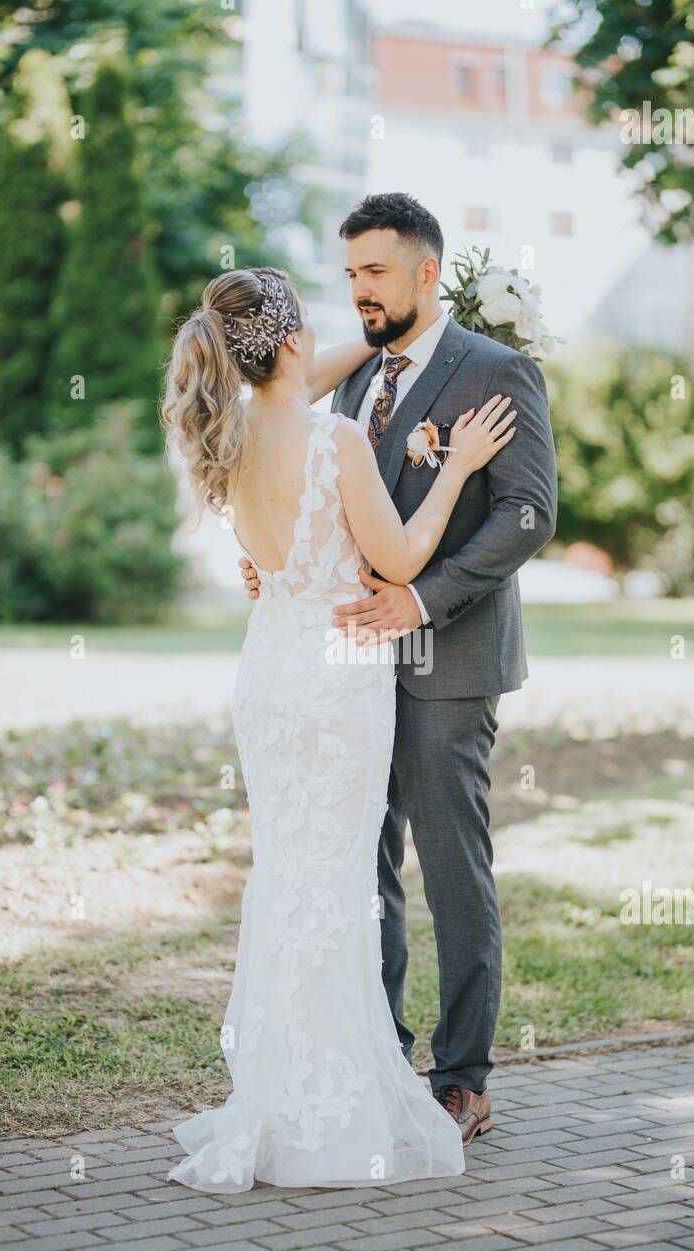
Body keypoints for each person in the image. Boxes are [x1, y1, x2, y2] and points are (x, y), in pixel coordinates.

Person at [161, 262, 516, 1191]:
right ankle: (337, 1101)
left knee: (292, 878)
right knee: (341, 881)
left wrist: (384, 331)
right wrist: (457, 467)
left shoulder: (227, 438)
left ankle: (282, 1094)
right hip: (338, 676)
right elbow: (399, 556)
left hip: (270, 672)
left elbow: (288, 391)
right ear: (289, 340)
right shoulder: (338, 440)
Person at [241, 194, 558, 1147]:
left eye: (375, 272)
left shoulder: (496, 370)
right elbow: (326, 506)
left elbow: (529, 514)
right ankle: (377, 1057)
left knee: (453, 869)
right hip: (347, 674)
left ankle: (462, 1078)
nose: (359, 292)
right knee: (359, 866)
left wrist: (421, 601)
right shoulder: (351, 385)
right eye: (349, 275)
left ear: (427, 272)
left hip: (448, 659)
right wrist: (275, 561)